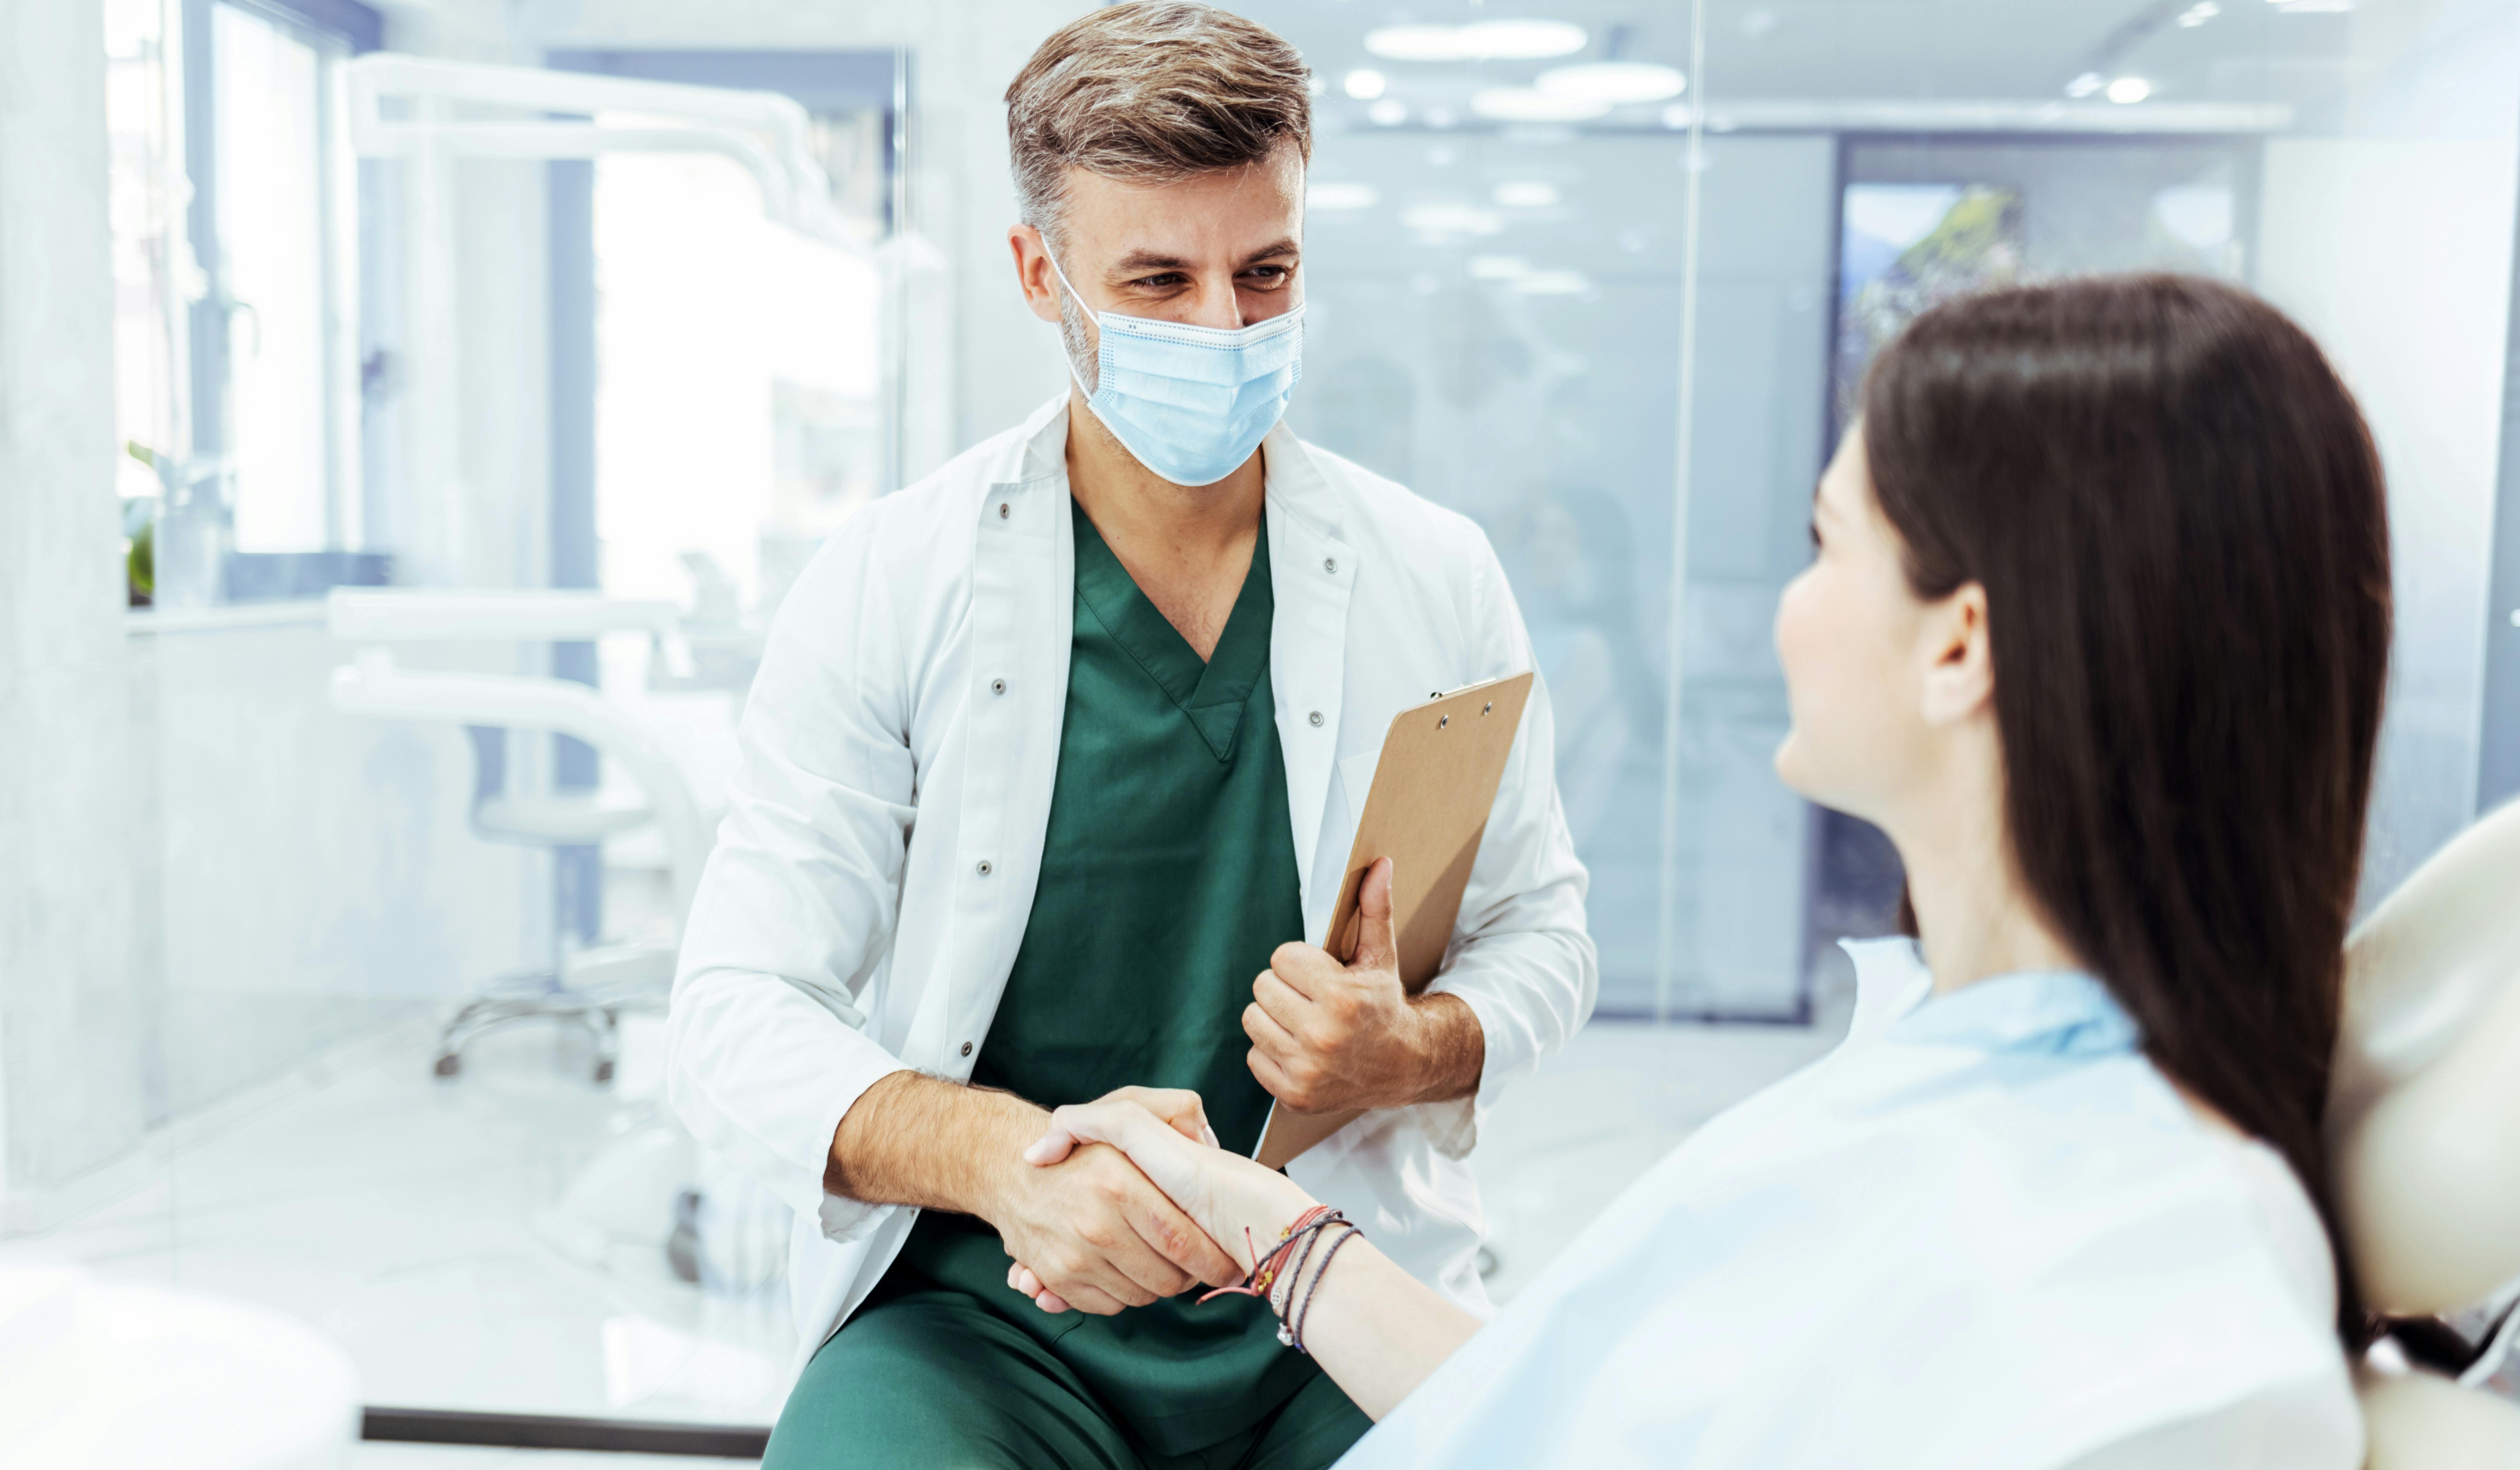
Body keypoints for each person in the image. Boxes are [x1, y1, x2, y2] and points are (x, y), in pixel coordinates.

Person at [1018, 273, 2391, 1467]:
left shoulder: (2125, 1280)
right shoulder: (1978, 1093)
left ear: (1958, 646)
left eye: (1824, 544)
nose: (1789, 605)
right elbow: (1578, 1425)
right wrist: (1267, 1227)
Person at [663, 5, 1596, 1467]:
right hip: (982, 1319)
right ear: (1040, 274)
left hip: (1330, 1303)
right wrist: (1002, 1162)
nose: (1225, 328)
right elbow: (734, 1007)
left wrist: (1409, 1049)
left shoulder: (1434, 574)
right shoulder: (891, 580)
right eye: (1157, 280)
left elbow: (1543, 934)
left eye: (1265, 271)